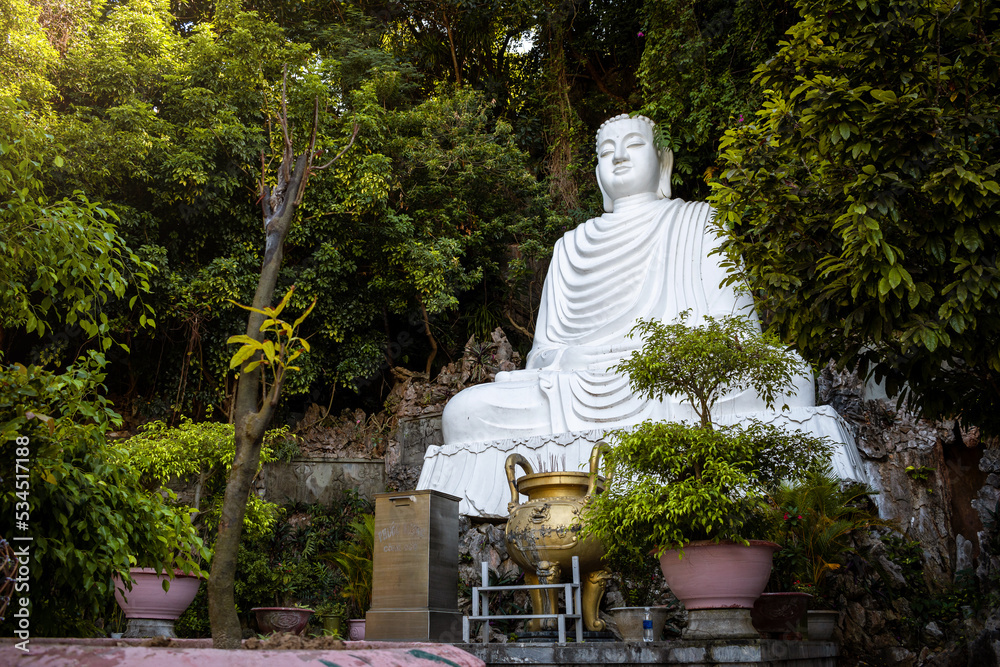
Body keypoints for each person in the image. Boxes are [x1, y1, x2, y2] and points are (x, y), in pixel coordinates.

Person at [418, 114, 863, 517]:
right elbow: (543, 355)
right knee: (464, 413)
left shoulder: (701, 222)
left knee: (790, 380)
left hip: (680, 380)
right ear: (597, 172)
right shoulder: (569, 247)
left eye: (633, 145)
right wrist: (568, 359)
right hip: (579, 389)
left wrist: (666, 357)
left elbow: (738, 334)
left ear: (662, 162)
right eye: (606, 152)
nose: (619, 157)